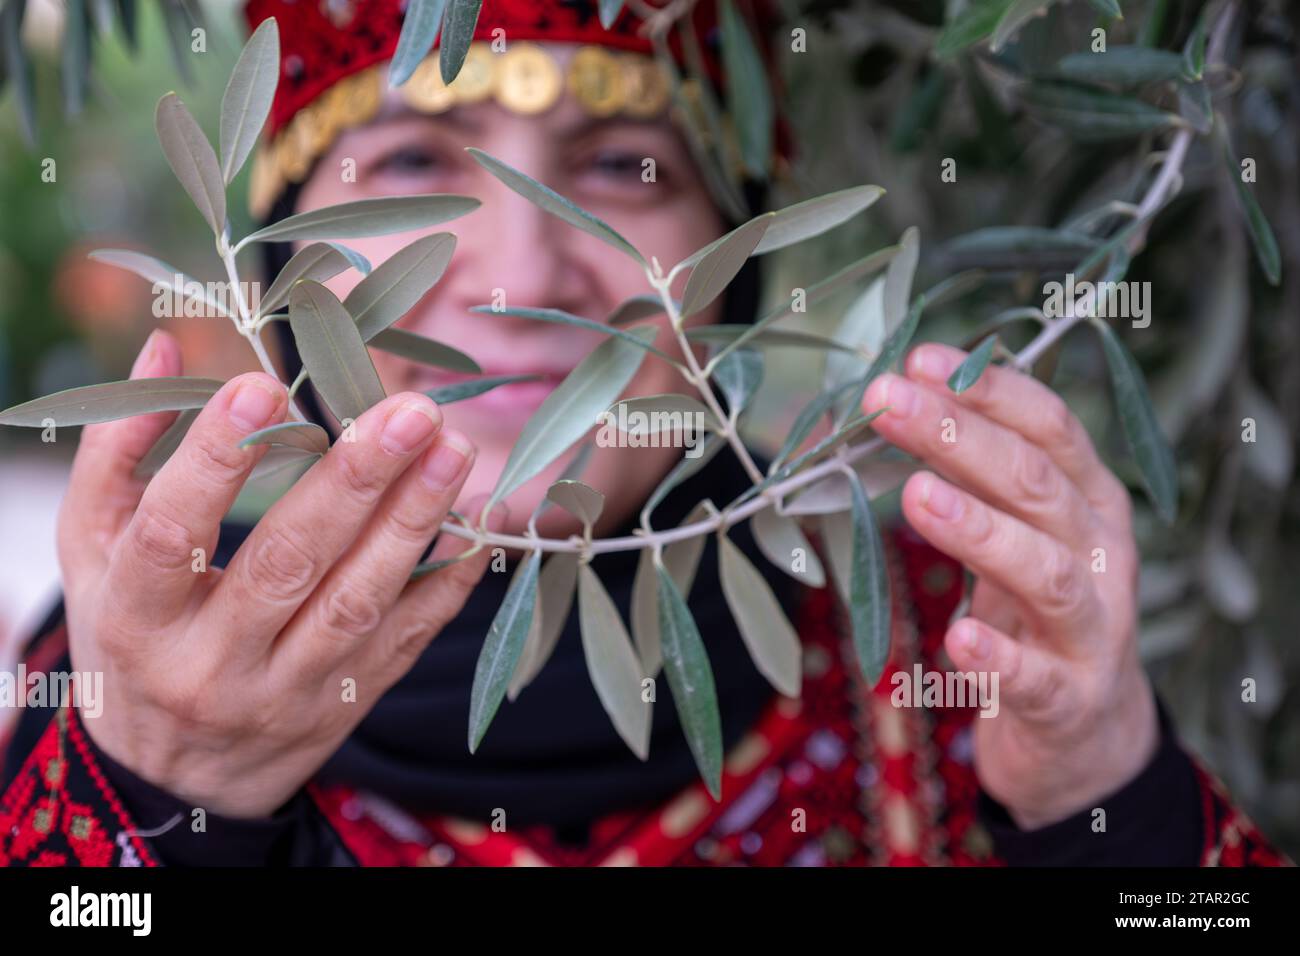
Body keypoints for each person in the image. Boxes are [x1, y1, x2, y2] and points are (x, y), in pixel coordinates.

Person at [0, 0, 1285, 867]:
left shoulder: (966, 646)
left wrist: (1111, 805)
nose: (519, 271)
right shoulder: (142, 654)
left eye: (622, 166)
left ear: (734, 269)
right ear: (280, 264)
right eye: (405, 163)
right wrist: (155, 801)